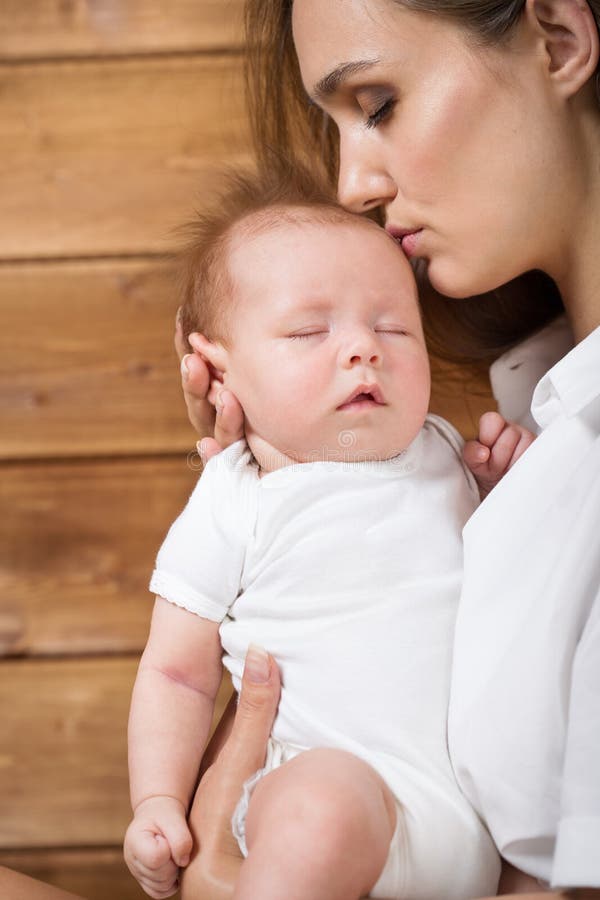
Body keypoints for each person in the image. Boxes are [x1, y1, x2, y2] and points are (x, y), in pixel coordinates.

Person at [174, 1, 600, 898]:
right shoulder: (517, 431)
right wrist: (284, 507)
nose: (351, 185)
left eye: (378, 102)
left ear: (559, 40)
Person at [123, 169, 536, 900]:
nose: (362, 350)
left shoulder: (446, 456)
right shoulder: (238, 496)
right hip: (326, 805)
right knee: (322, 809)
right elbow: (175, 672)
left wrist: (512, 497)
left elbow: (515, 587)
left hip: (472, 830)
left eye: (392, 327)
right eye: (311, 331)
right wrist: (157, 799)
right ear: (219, 371)